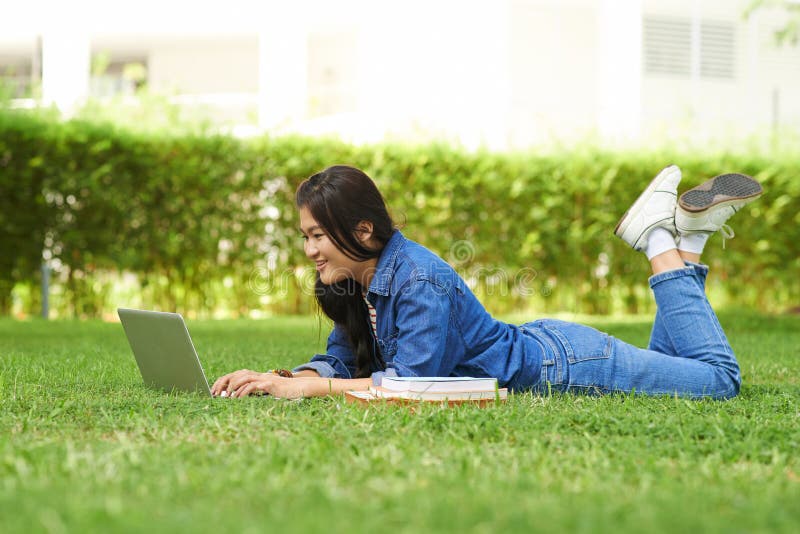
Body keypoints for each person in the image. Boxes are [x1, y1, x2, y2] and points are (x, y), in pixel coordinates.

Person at [211, 164, 763, 400]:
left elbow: (412, 385)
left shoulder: (419, 278)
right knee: (688, 370)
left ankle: (656, 241)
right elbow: (344, 360)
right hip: (553, 351)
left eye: (317, 237)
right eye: (304, 237)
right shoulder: (353, 282)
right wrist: (281, 376)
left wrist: (311, 388)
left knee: (717, 380)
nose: (308, 251)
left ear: (361, 229)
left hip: (566, 366)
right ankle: (691, 235)